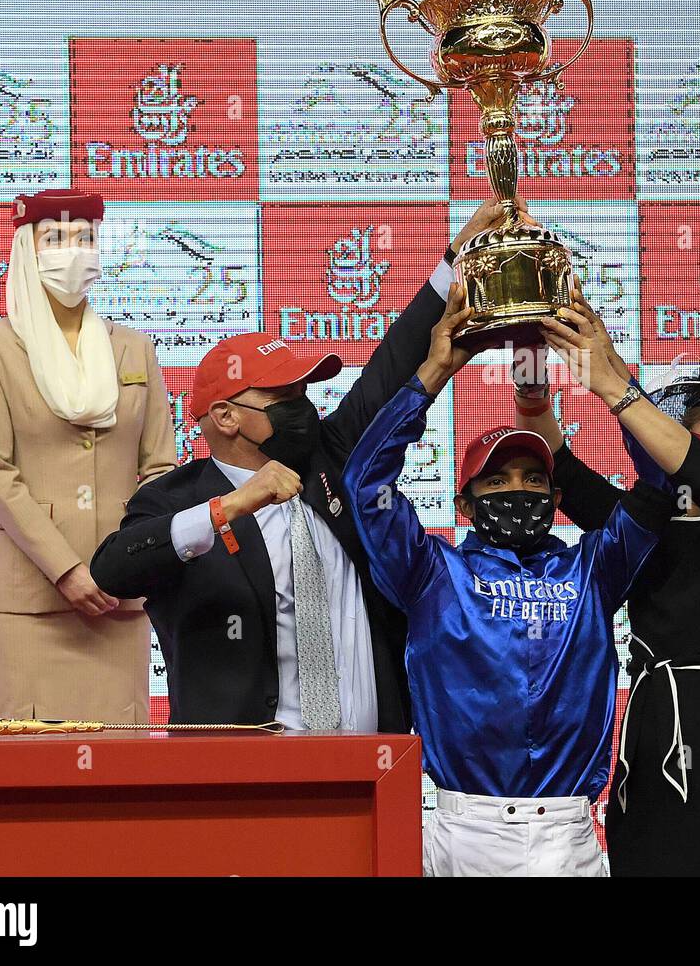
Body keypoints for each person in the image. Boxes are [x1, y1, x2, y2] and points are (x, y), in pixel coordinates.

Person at [90, 200, 513, 730]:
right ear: (225, 417)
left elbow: (394, 362)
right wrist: (229, 507)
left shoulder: (333, 455)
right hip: (245, 780)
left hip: (371, 765)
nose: (303, 408)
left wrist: (457, 257)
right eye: (282, 398)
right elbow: (111, 569)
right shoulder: (176, 498)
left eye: (304, 392)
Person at [342, 285, 688, 877]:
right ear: (466, 506)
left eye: (532, 480)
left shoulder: (595, 567)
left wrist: (608, 376)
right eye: (496, 484)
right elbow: (364, 482)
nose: (517, 492)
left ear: (557, 499)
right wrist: (433, 371)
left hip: (570, 834)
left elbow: (665, 482)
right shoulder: (430, 571)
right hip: (460, 831)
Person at [518, 288, 700, 876]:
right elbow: (559, 465)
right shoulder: (645, 519)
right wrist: (532, 372)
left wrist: (613, 382)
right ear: (684, 426)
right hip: (648, 749)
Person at [0, 188, 177, 723]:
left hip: (118, 602)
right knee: (30, 778)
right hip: (31, 603)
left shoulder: (133, 348)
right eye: (55, 239)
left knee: (117, 776)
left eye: (86, 238)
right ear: (26, 252)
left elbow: (160, 469)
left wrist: (131, 560)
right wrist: (66, 569)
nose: (73, 252)